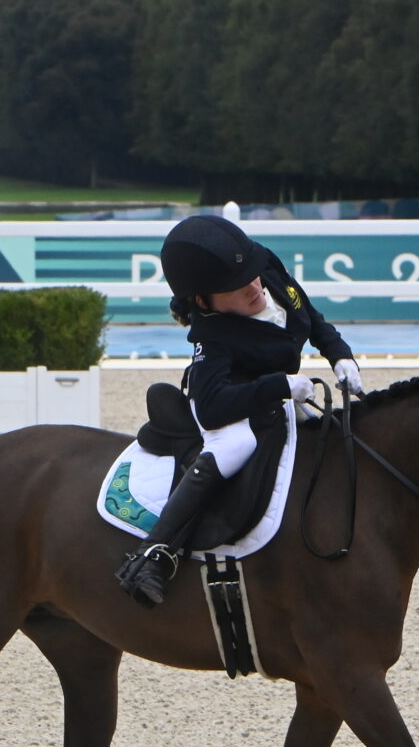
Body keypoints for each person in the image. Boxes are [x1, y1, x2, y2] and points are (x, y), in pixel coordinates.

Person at [115, 213, 364, 608]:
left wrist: (340, 355)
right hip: (225, 401)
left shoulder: (262, 268)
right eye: (237, 284)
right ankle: (153, 554)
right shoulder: (211, 340)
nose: (254, 286)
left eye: (252, 274)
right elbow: (213, 410)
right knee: (236, 447)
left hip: (275, 390)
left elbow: (309, 316)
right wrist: (278, 386)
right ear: (203, 301)